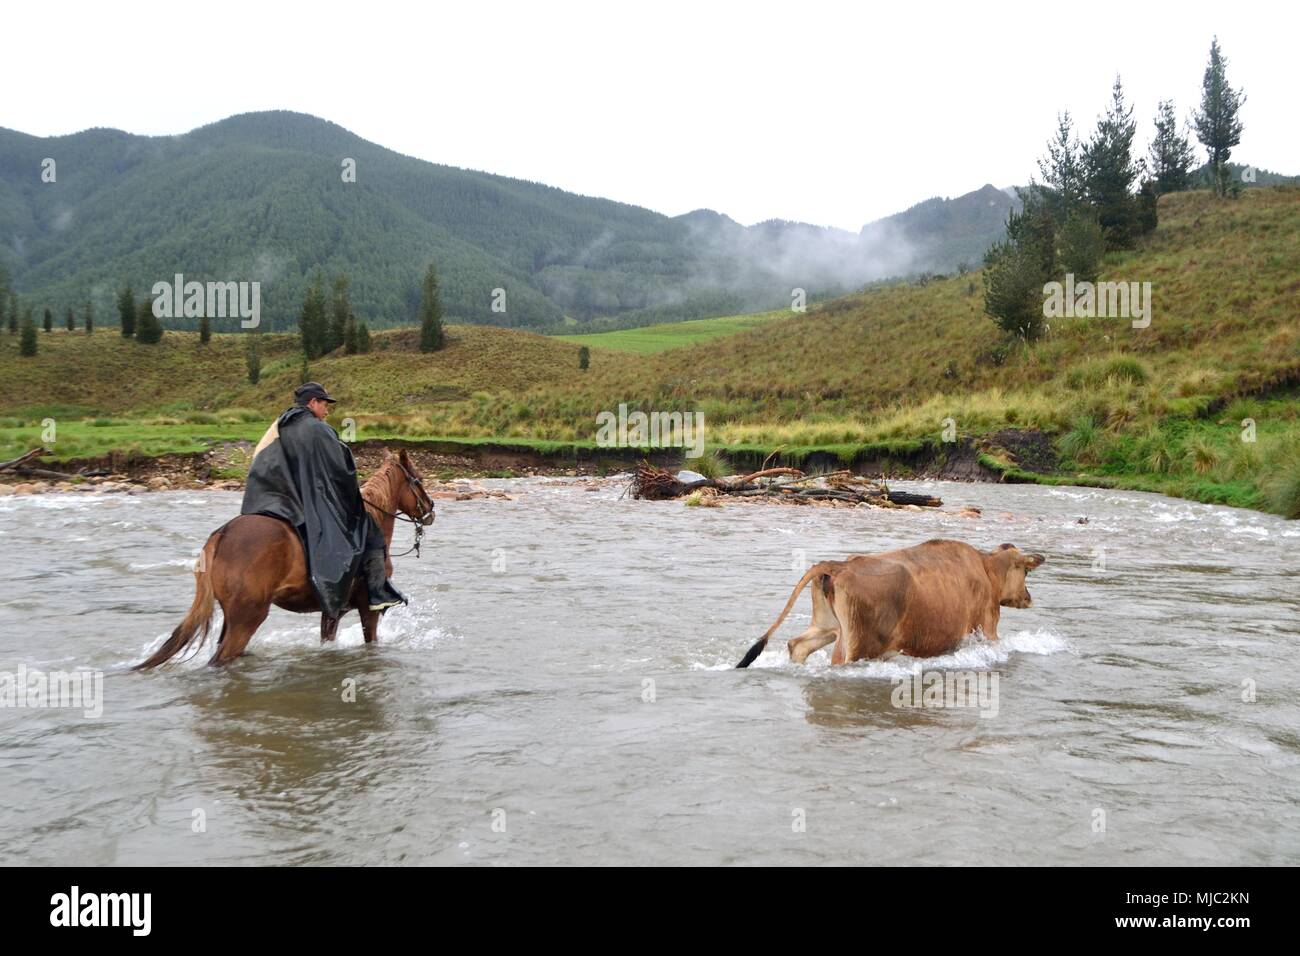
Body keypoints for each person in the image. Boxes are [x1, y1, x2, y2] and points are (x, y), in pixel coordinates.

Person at [241, 382, 406, 617]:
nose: (327, 411)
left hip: (280, 501)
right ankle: (377, 594)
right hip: (313, 500)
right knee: (371, 533)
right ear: (313, 403)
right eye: (325, 404)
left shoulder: (281, 425)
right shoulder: (319, 429)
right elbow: (342, 470)